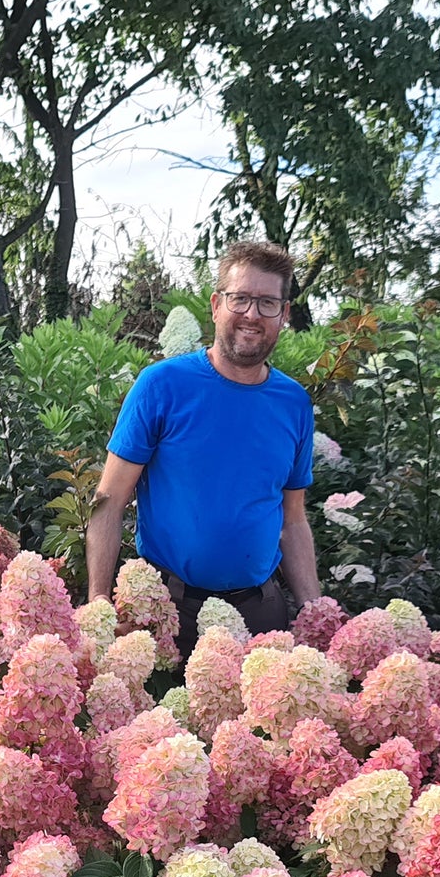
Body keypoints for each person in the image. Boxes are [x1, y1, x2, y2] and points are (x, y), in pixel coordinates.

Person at [85, 239, 320, 661]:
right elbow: (109, 500)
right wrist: (99, 599)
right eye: (240, 298)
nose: (252, 314)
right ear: (216, 305)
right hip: (170, 613)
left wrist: (315, 611)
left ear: (284, 314)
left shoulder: (294, 403)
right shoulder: (161, 386)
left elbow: (293, 520)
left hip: (260, 617)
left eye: (267, 302)